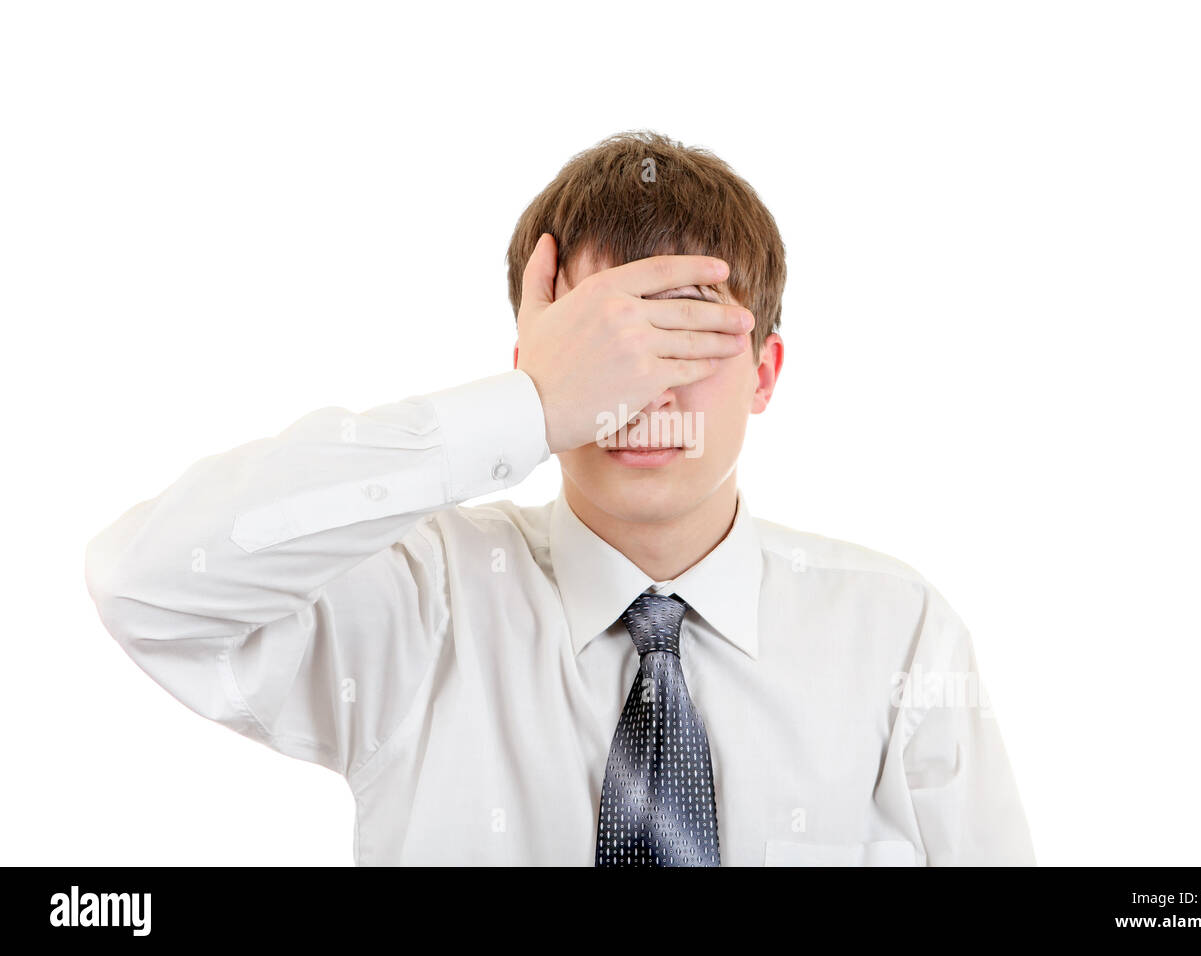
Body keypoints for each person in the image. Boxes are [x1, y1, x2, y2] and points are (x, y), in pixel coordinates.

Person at [85, 131, 1034, 866]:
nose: (645, 389)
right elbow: (145, 585)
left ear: (764, 372)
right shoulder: (424, 605)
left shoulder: (898, 632)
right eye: (605, 342)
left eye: (690, 336)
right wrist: (523, 411)